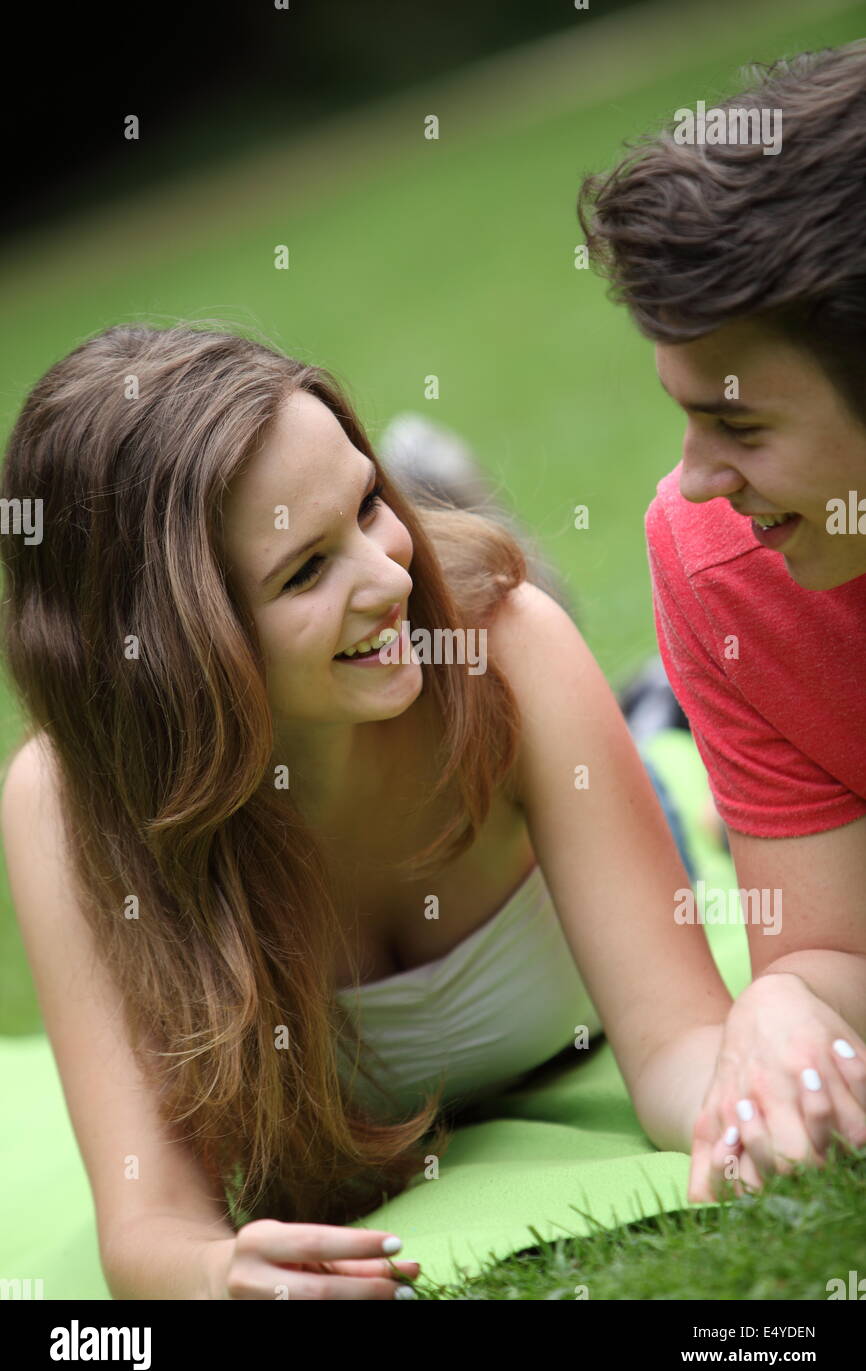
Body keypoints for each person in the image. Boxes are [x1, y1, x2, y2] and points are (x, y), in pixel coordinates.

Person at [1, 323, 862, 1303]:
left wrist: (755, 1100)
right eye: (304, 570)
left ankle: (565, 621)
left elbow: (675, 1048)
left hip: (526, 738)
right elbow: (150, 1221)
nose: (387, 575)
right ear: (174, 658)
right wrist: (214, 1273)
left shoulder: (502, 648)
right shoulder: (66, 810)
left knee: (653, 735)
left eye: (370, 502)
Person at [577, 40, 866, 1205]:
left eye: (739, 431)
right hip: (707, 714)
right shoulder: (710, 558)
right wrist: (784, 997)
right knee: (647, 752)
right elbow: (828, 952)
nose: (693, 482)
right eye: (686, 421)